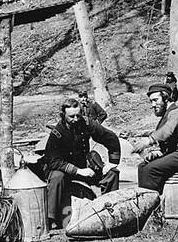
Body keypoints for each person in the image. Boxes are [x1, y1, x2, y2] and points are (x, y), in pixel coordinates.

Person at [41, 95, 121, 232]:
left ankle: (109, 210)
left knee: (112, 174)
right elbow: (53, 161)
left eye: (78, 115)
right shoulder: (57, 133)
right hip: (63, 170)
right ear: (63, 115)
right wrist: (77, 170)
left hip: (84, 167)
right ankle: (50, 219)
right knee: (56, 178)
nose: (75, 120)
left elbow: (110, 137)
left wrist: (112, 162)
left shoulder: (87, 123)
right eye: (71, 117)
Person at [133, 82, 178, 193]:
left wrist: (148, 140)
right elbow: (169, 143)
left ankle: (154, 204)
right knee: (143, 167)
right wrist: (158, 153)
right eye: (151, 101)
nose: (153, 105)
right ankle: (148, 200)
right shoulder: (166, 116)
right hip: (177, 153)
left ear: (166, 98)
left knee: (151, 169)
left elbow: (167, 131)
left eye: (155, 100)